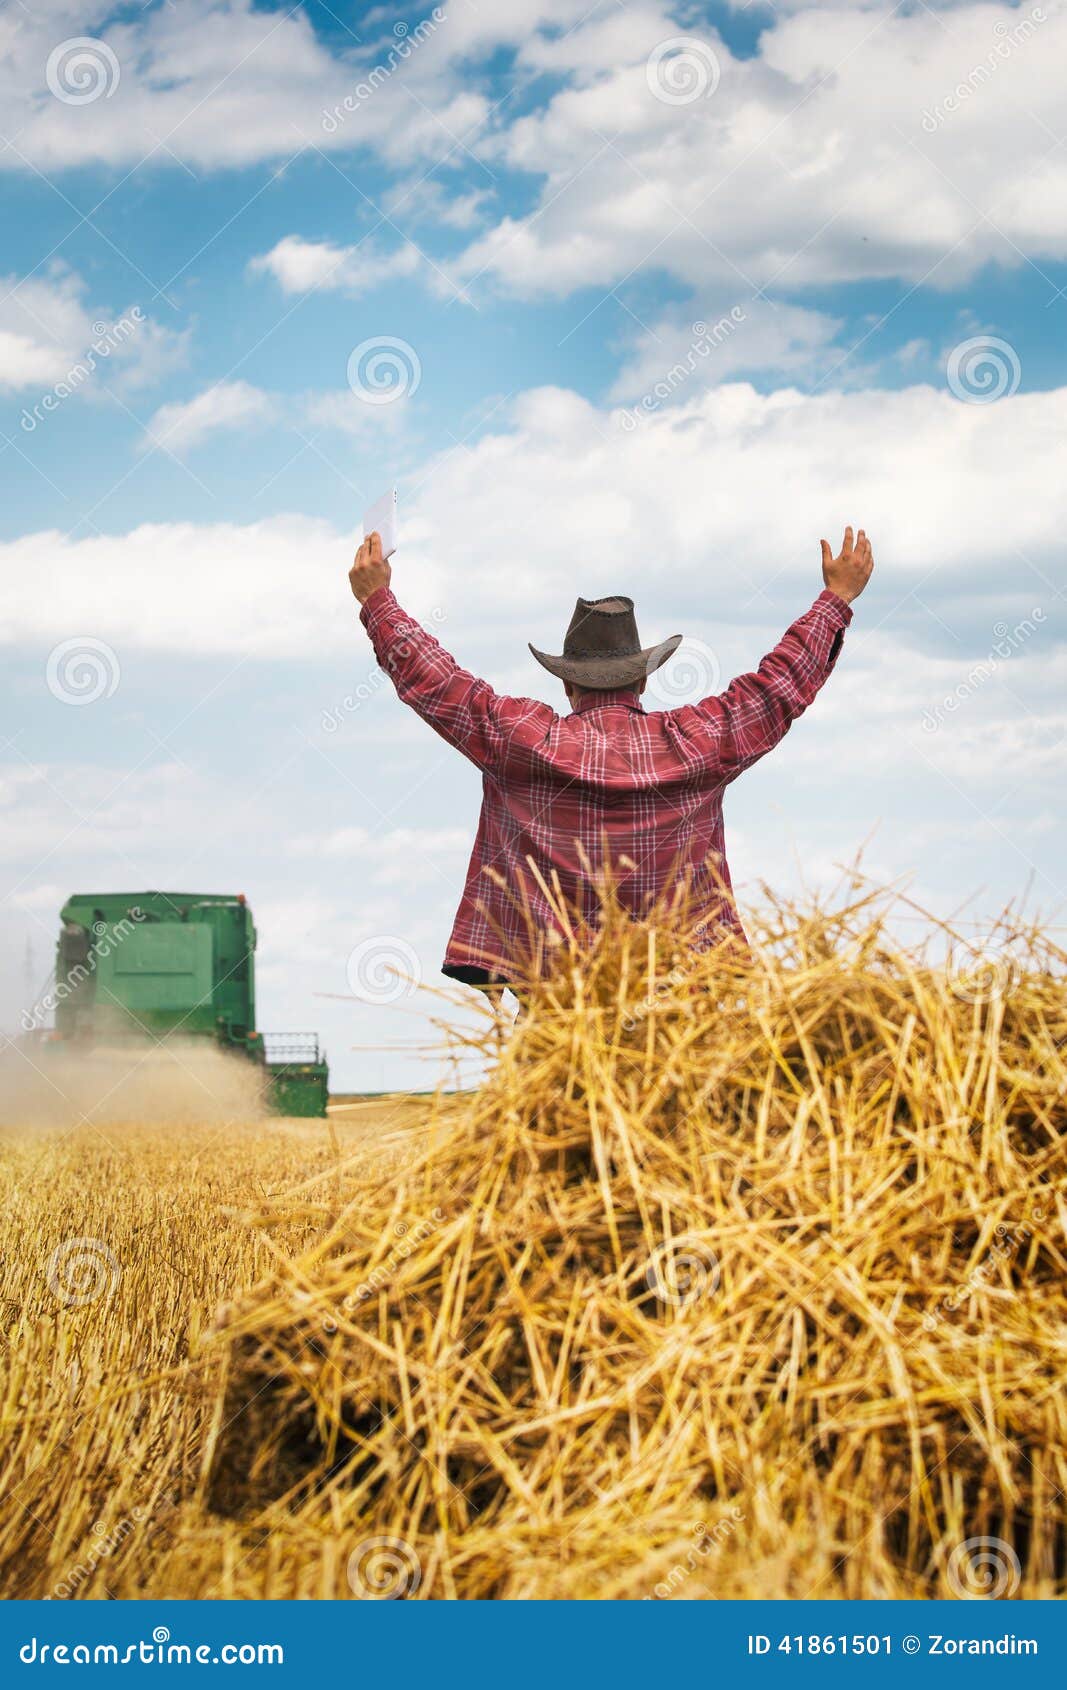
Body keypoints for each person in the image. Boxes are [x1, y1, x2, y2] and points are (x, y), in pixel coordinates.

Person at [350, 527, 873, 986]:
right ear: (644, 678)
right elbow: (776, 689)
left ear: (567, 682)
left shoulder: (519, 741)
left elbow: (438, 683)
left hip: (558, 1015)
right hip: (682, 1021)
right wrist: (835, 598)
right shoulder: (699, 744)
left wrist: (380, 603)